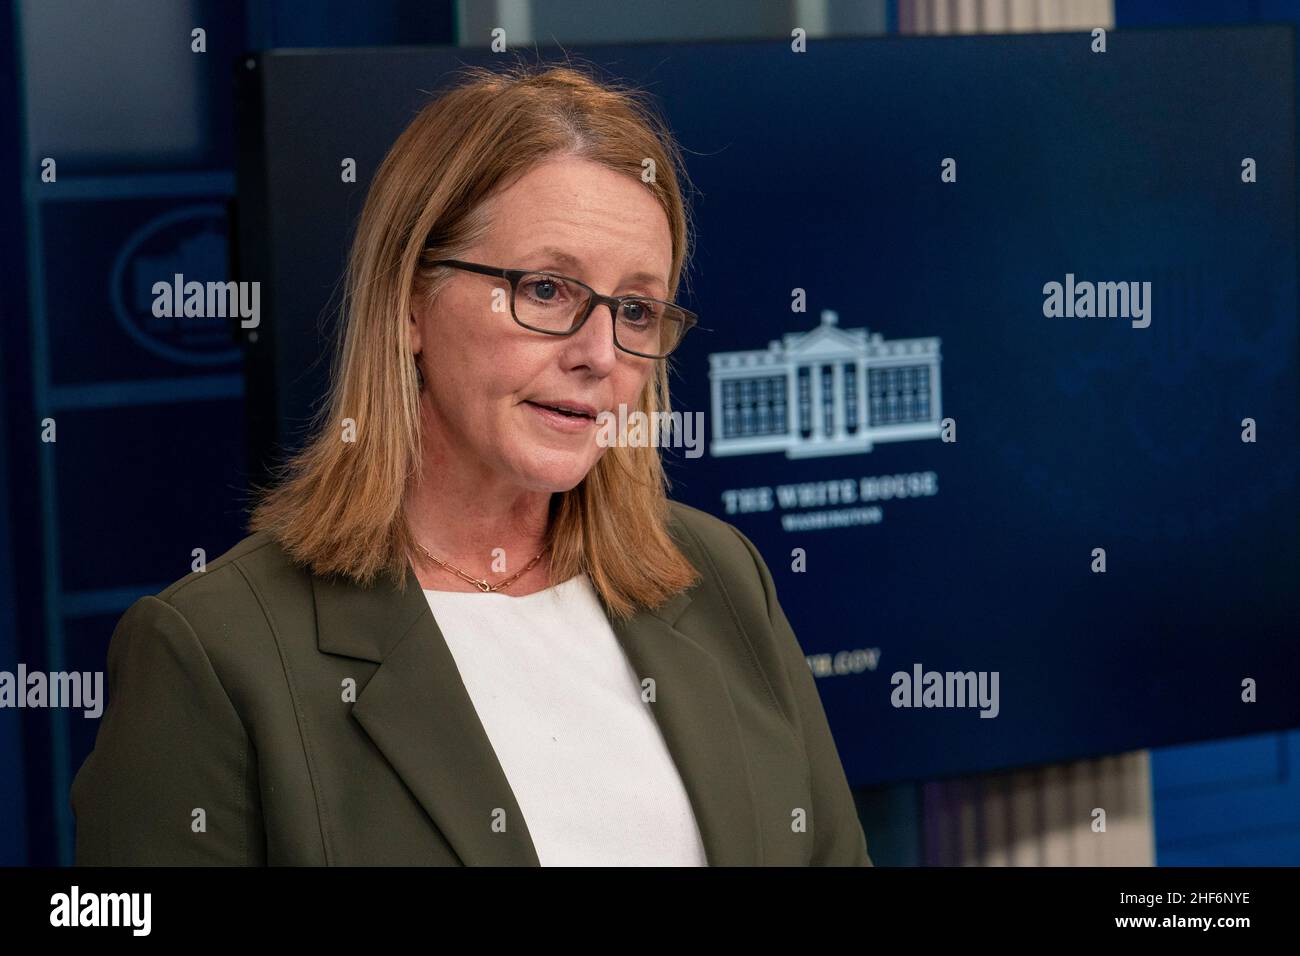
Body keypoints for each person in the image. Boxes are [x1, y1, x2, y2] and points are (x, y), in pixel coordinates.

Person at [70, 61, 872, 867]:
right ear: (412, 302)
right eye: (548, 290)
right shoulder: (213, 654)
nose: (599, 355)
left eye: (634, 308)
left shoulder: (721, 576)